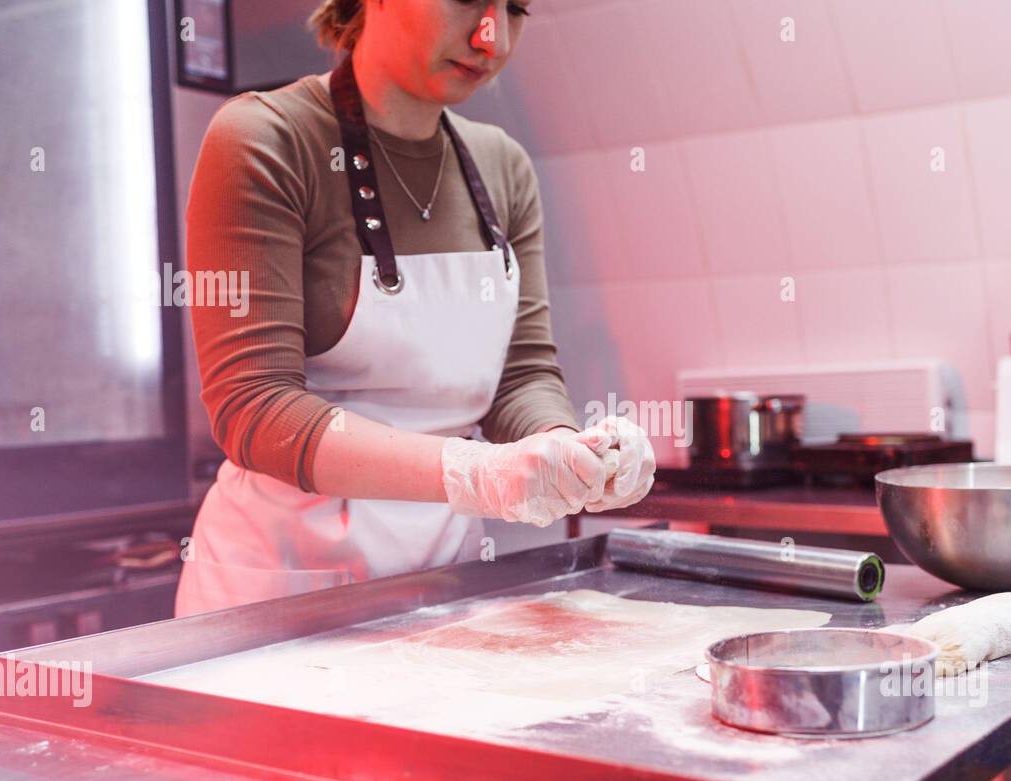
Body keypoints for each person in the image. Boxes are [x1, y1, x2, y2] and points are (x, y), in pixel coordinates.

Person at [175, 0, 654, 616]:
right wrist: (476, 472)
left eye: (515, 8)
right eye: (469, 1)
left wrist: (566, 452)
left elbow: (522, 375)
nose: (493, 37)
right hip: (280, 592)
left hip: (444, 585)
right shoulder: (265, 138)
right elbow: (255, 408)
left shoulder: (503, 166)